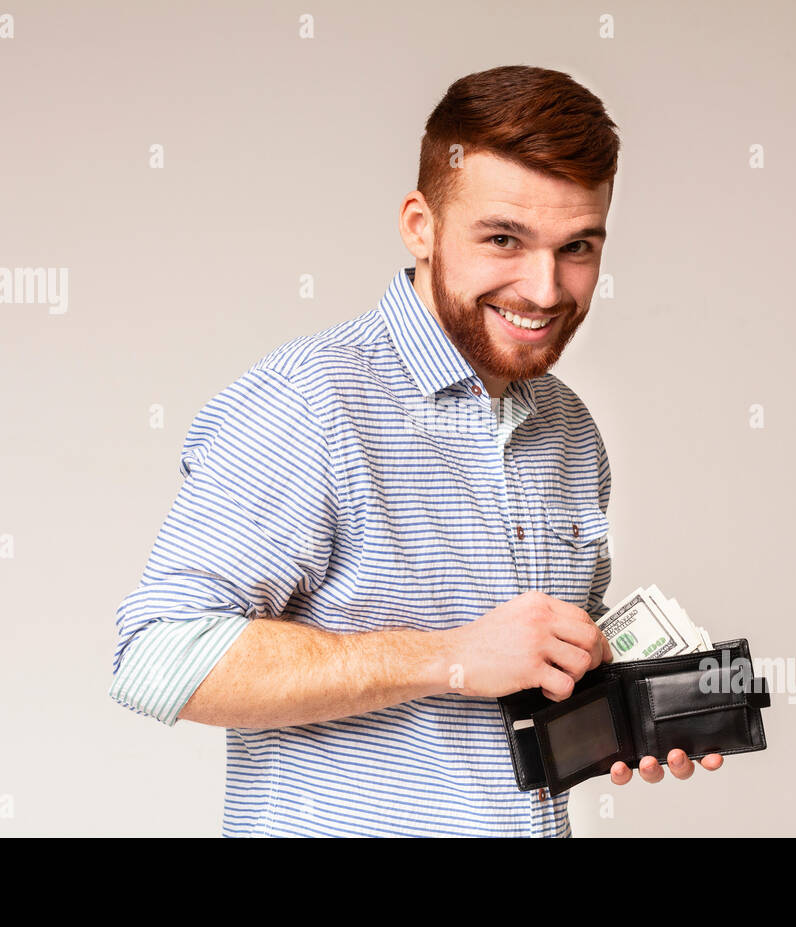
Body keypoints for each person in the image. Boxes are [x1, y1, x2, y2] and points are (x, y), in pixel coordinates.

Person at [108, 64, 721, 837]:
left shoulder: (569, 428)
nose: (543, 288)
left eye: (577, 246)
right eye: (504, 238)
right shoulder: (311, 401)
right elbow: (162, 657)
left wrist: (628, 702)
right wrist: (449, 656)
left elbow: (531, 672)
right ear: (420, 226)